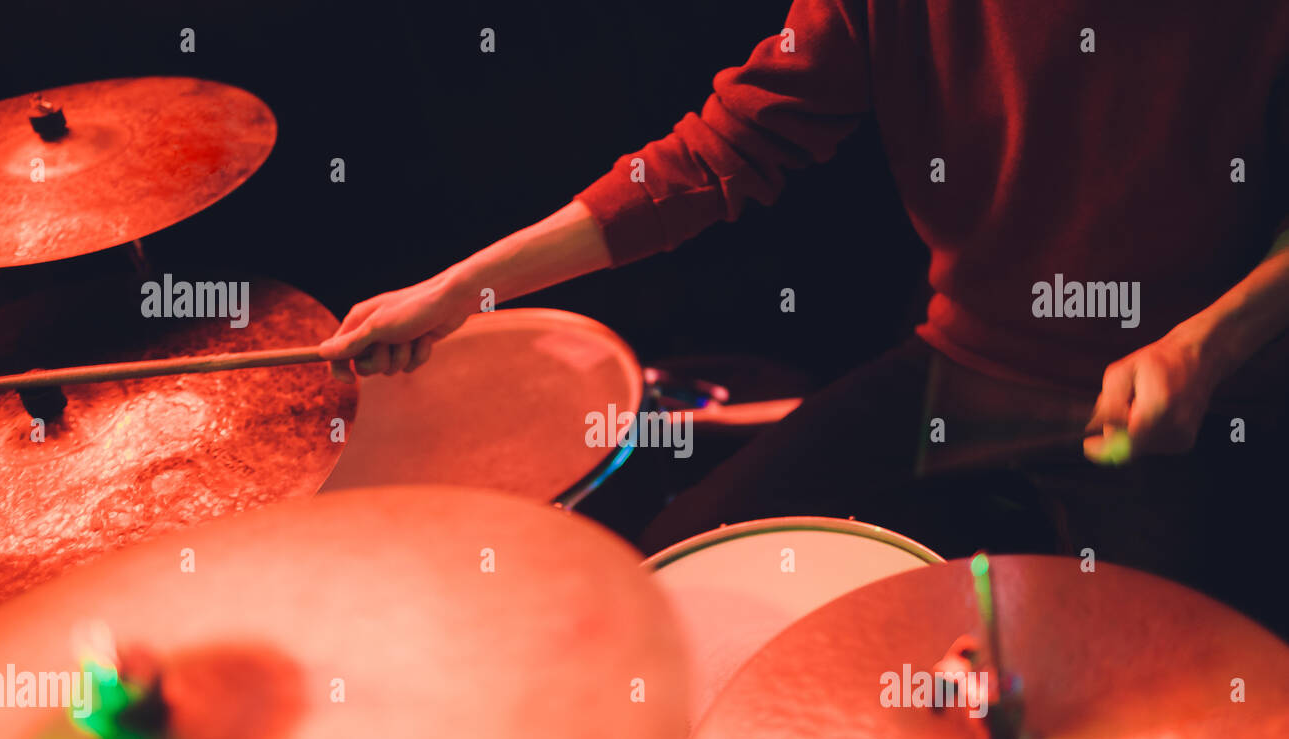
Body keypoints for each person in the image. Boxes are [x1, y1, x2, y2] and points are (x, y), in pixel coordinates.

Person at [319, 1, 1289, 633]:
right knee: (672, 595)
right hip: (961, 368)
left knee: (1151, 726)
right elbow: (712, 154)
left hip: (1193, 406)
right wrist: (462, 287)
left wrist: (1213, 341)